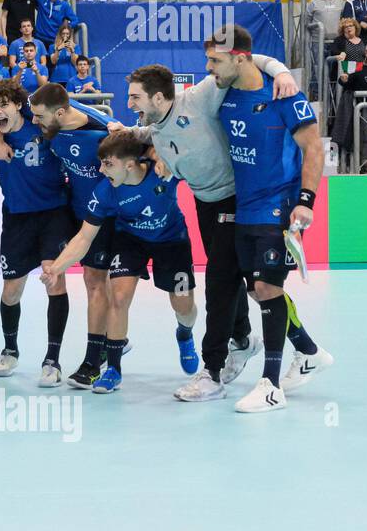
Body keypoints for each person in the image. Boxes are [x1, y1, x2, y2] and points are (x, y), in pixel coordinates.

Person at [118, 55, 296, 400]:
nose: (129, 103)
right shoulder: (154, 124)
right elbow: (149, 133)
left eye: (135, 97)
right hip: (203, 202)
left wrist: (282, 72)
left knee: (217, 283)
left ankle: (211, 372)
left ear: (158, 97)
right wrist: (125, 132)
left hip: (234, 199)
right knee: (235, 282)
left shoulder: (199, 97)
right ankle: (245, 340)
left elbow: (245, 56)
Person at [206, 27, 332, 413]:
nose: (209, 69)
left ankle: (271, 385)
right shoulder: (223, 94)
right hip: (244, 207)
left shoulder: (284, 95)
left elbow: (313, 148)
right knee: (258, 288)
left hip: (279, 207)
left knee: (268, 289)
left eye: (216, 60)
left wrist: (306, 202)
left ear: (239, 57)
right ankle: (309, 351)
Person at [42, 130, 200, 394]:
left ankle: (184, 333)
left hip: (172, 240)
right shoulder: (105, 192)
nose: (102, 171)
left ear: (129, 164)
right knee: (119, 297)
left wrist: (160, 152)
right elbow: (83, 238)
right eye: (102, 163)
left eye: (108, 164)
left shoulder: (163, 172)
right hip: (131, 240)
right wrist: (57, 268)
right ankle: (113, 370)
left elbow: (189, 150)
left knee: (183, 305)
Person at [25, 83, 116, 388]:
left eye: (39, 116)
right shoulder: (53, 125)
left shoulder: (102, 132)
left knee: (94, 281)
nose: (34, 121)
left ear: (61, 113)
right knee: (89, 281)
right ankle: (108, 343)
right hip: (72, 209)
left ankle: (93, 360)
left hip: (104, 216)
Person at [0, 77, 72, 386]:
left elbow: (74, 112)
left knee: (52, 278)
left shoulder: (43, 128)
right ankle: (10, 349)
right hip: (17, 217)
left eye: (4, 105)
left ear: (20, 105)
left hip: (53, 213)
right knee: (11, 291)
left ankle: (52, 360)